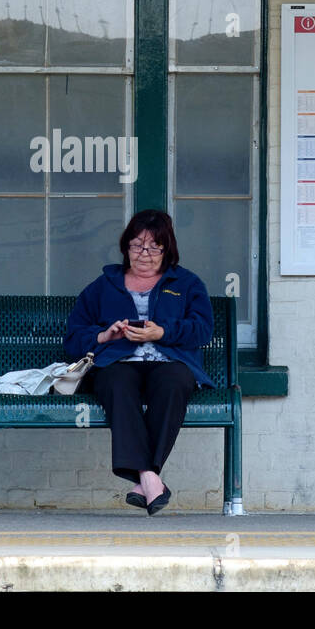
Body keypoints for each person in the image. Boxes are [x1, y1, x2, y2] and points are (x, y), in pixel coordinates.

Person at [64, 209, 214, 515]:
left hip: (169, 360)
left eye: (154, 247)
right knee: (116, 382)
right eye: (137, 245)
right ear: (125, 247)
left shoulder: (186, 283)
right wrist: (104, 336)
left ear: (167, 249)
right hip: (118, 362)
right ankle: (150, 478)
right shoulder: (103, 286)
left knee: (175, 382)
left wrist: (163, 332)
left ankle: (143, 479)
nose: (144, 254)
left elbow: (203, 330)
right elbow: (73, 338)